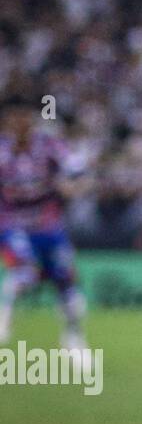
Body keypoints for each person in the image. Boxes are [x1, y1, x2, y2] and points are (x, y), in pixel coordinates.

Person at [0, 99, 89, 351]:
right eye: (14, 120)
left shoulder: (49, 145)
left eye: (24, 118)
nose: (20, 125)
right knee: (24, 273)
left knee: (65, 279)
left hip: (48, 225)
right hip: (12, 224)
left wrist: (72, 187)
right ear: (7, 123)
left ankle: (73, 337)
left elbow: (78, 171)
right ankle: (5, 318)